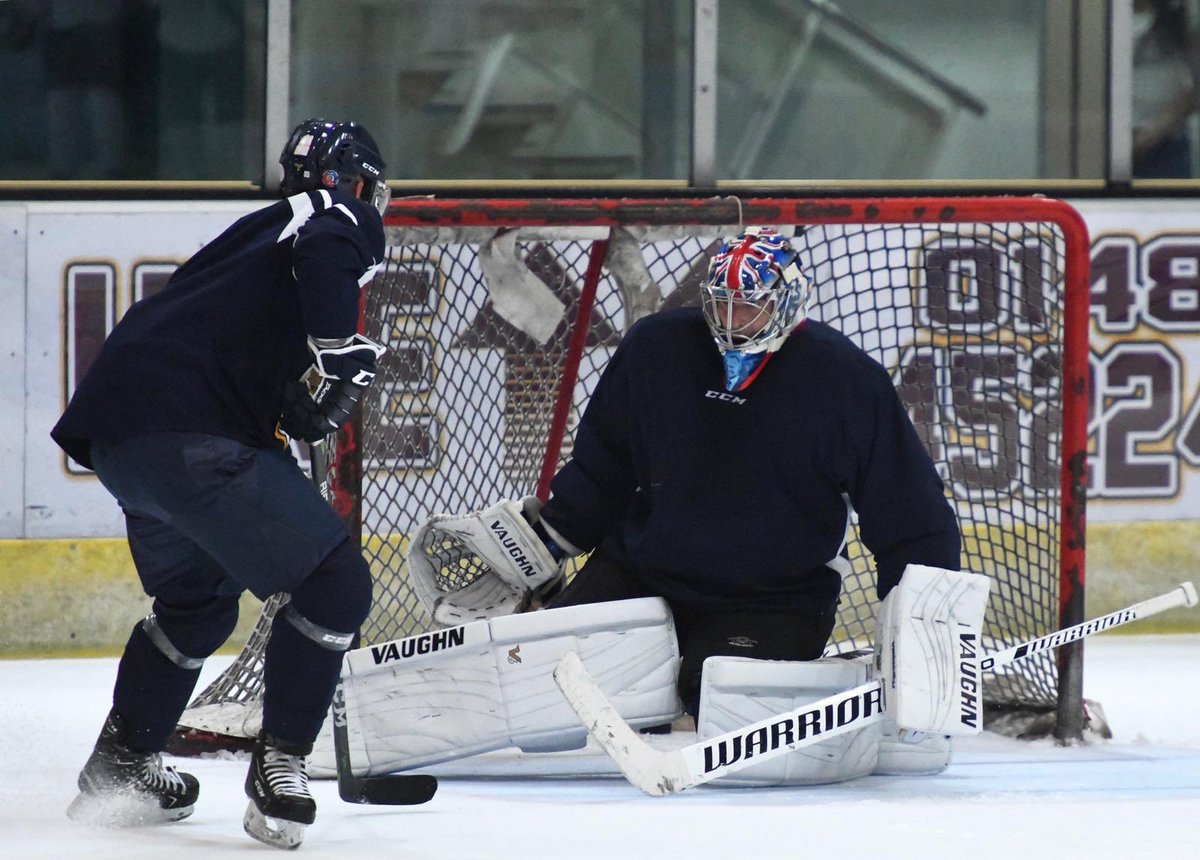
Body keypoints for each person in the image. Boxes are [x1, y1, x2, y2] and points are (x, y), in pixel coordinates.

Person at [51, 118, 391, 849]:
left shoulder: (251, 237)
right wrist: (337, 351)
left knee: (198, 605)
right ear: (356, 182)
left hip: (122, 437)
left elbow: (209, 337)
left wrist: (288, 402)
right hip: (193, 438)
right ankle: (282, 769)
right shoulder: (336, 214)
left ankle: (123, 762)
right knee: (335, 586)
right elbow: (334, 251)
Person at [529, 228, 963, 716]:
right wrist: (542, 546)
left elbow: (910, 514)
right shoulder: (657, 349)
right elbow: (602, 467)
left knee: (715, 697)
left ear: (787, 299)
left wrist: (927, 628)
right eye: (722, 303)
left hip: (774, 599)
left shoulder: (845, 381)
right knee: (544, 673)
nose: (732, 322)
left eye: (750, 305)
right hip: (644, 573)